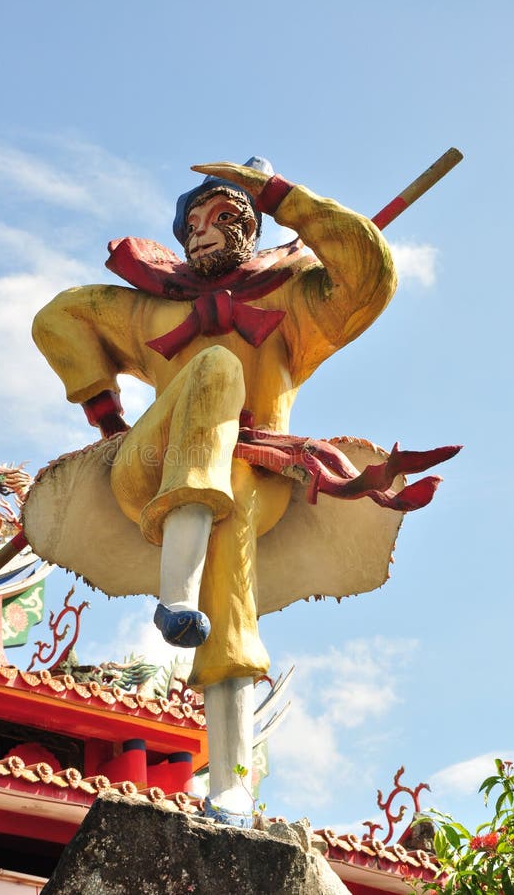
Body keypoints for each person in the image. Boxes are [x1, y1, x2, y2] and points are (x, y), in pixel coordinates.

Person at [31, 158, 455, 825]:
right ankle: (175, 591)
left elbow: (369, 276)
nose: (204, 232)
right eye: (192, 222)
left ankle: (231, 784)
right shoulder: (152, 306)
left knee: (230, 609)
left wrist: (286, 197)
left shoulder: (292, 296)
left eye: (225, 217)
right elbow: (59, 317)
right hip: (147, 470)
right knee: (215, 364)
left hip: (253, 476)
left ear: (252, 230)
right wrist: (108, 420)